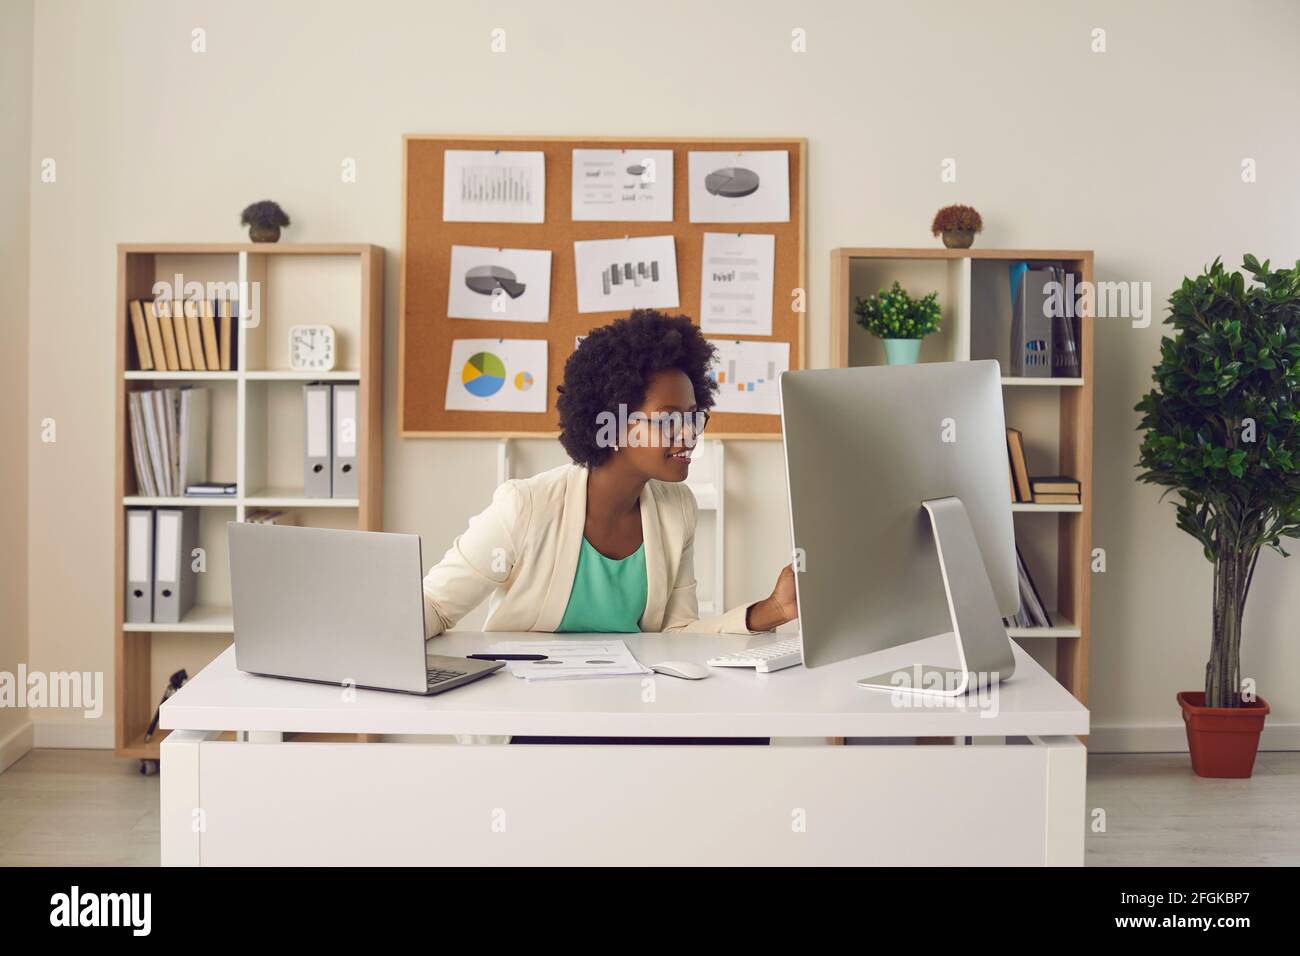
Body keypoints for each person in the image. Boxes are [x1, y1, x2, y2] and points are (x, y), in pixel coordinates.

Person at [422, 309, 797, 639]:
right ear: (613, 426)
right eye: (669, 419)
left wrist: (774, 610)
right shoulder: (527, 506)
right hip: (527, 707)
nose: (690, 434)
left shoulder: (677, 508)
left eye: (694, 416)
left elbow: (679, 633)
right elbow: (436, 606)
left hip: (630, 708)